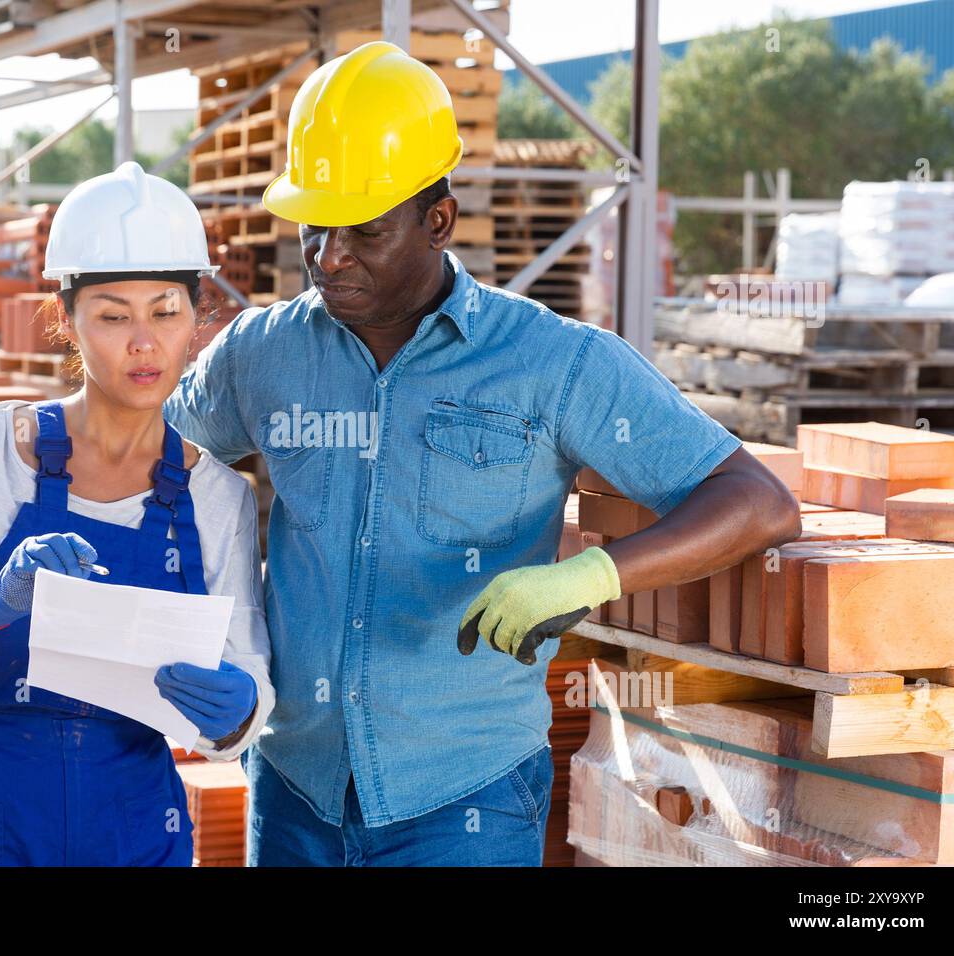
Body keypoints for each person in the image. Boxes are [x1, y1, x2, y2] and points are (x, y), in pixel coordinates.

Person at [164, 41, 802, 866]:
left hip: (462, 799)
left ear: (438, 220)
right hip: (294, 790)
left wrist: (590, 577)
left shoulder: (554, 362)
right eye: (314, 226)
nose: (329, 255)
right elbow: (155, 466)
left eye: (364, 230)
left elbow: (758, 501)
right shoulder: (262, 355)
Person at [0, 161, 274, 867]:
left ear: (197, 318)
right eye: (113, 316)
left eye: (165, 312)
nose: (142, 343)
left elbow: (246, 689)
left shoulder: (217, 498)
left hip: (131, 821)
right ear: (67, 317)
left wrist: (238, 709)